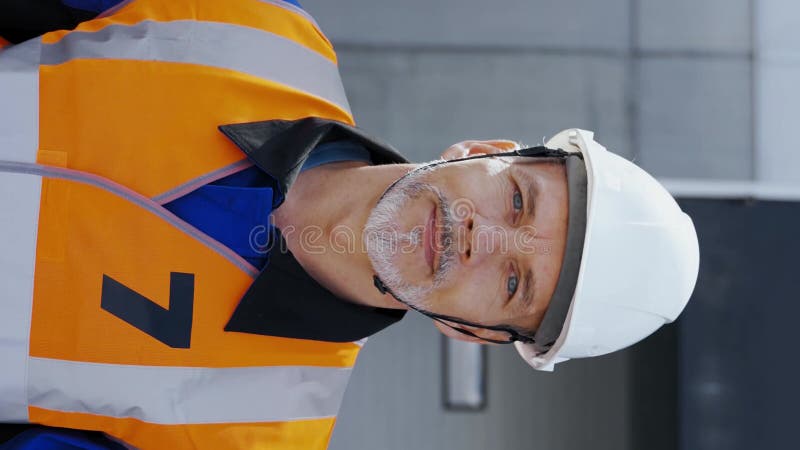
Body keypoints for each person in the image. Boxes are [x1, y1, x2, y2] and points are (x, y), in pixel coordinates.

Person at [0, 0, 700, 449]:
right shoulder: (262, 31)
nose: (482, 238)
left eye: (514, 283)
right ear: (483, 151)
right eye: (517, 201)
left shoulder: (254, 433)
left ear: (475, 333)